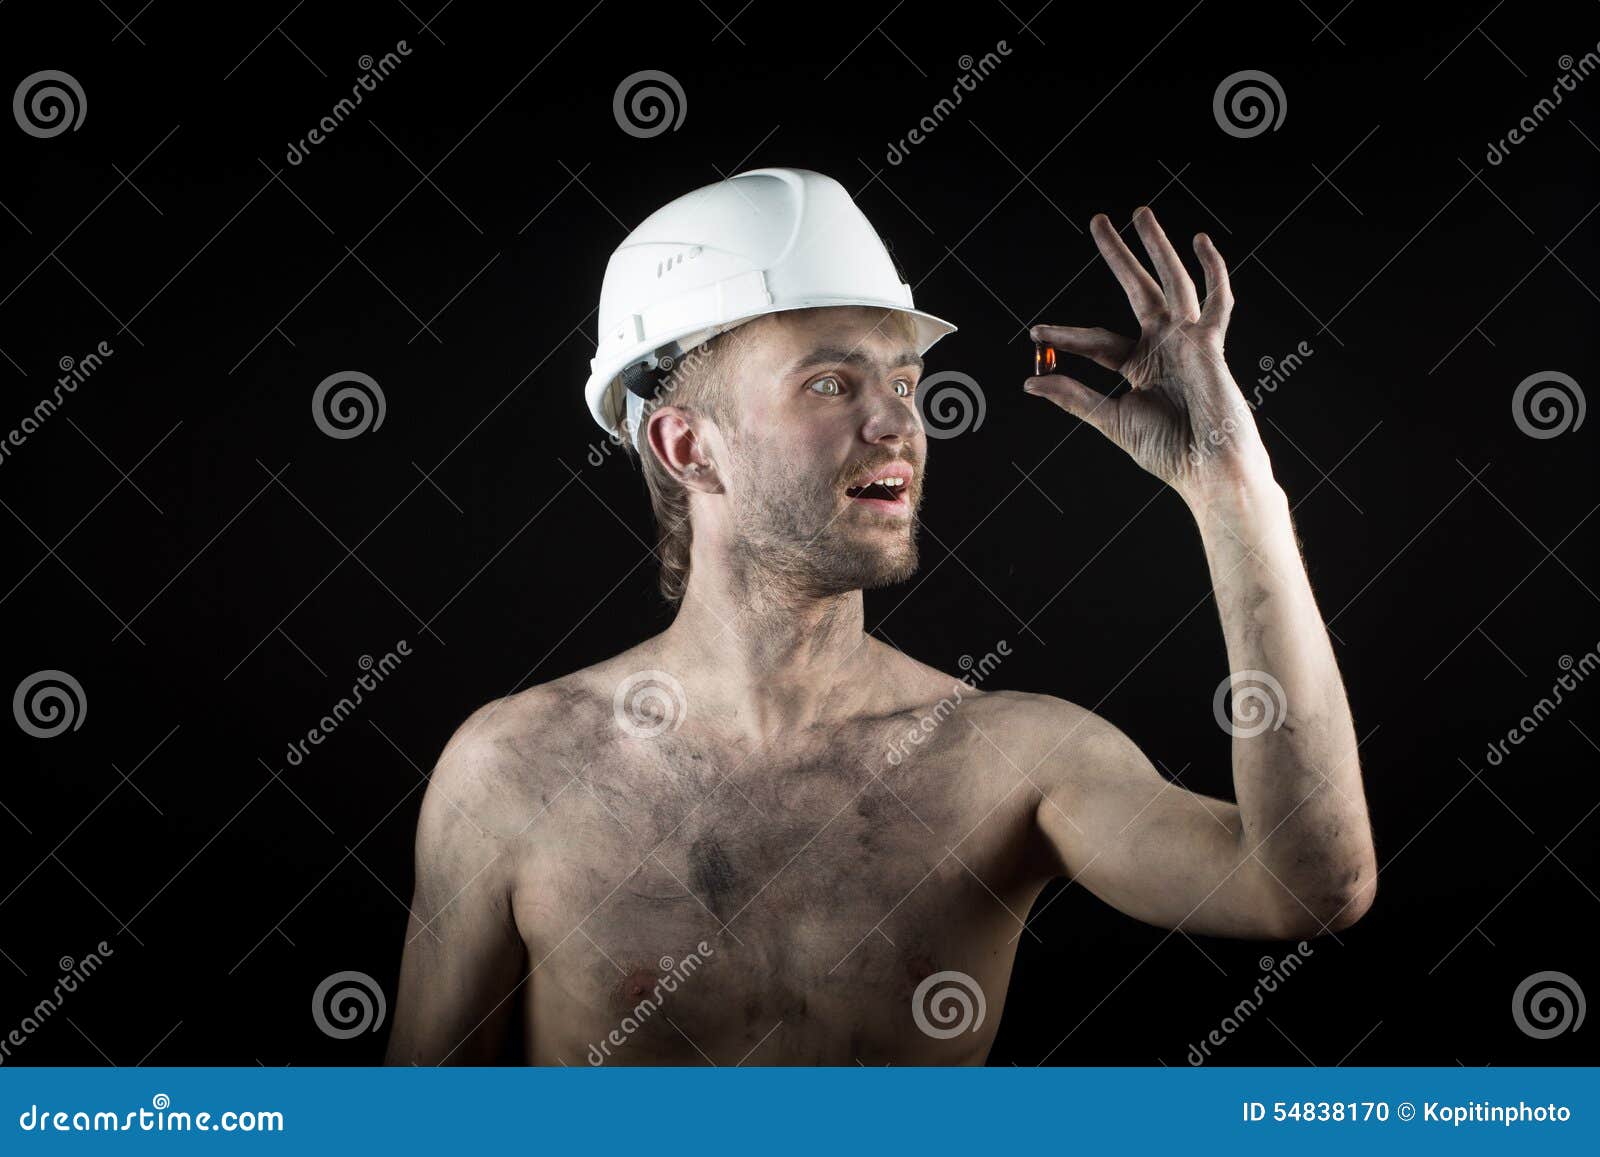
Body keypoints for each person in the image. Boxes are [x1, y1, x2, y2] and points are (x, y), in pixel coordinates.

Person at [383, 167, 1376, 1065]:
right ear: (687, 447)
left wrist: (1232, 490)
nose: (900, 420)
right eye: (831, 382)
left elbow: (1305, 886)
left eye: (903, 381)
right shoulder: (517, 772)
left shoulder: (1004, 761)